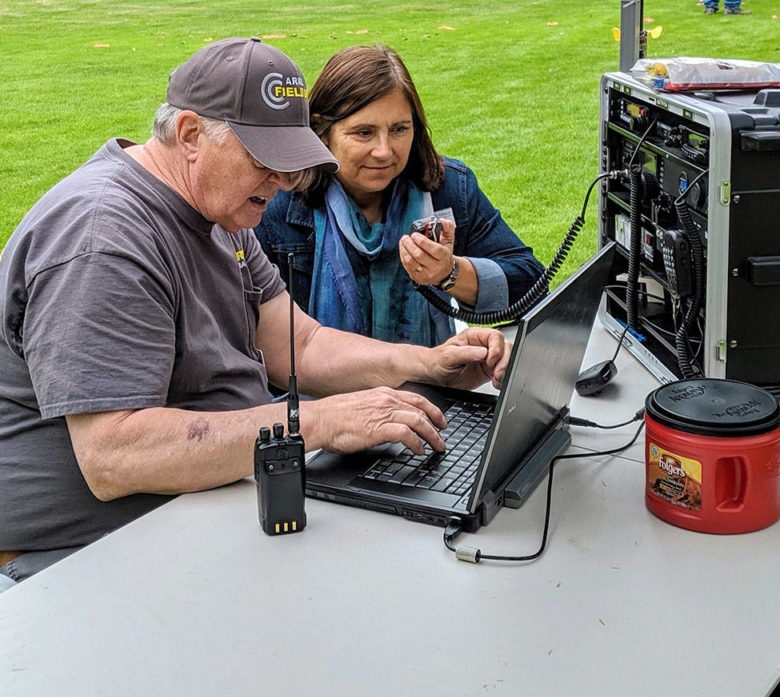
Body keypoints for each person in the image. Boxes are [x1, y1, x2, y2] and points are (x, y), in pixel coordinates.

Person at [0, 37, 511, 587]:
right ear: (192, 135)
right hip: (85, 555)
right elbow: (115, 456)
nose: (286, 182)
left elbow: (303, 344)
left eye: (291, 162)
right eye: (266, 161)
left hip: (208, 504)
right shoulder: (104, 238)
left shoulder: (217, 211)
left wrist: (428, 363)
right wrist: (317, 422)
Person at [254, 45, 544, 347]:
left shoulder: (448, 188)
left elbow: (532, 290)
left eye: (399, 129)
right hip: (324, 393)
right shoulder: (276, 203)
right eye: (363, 133)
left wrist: (451, 272)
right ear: (321, 131)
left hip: (430, 383)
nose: (384, 151)